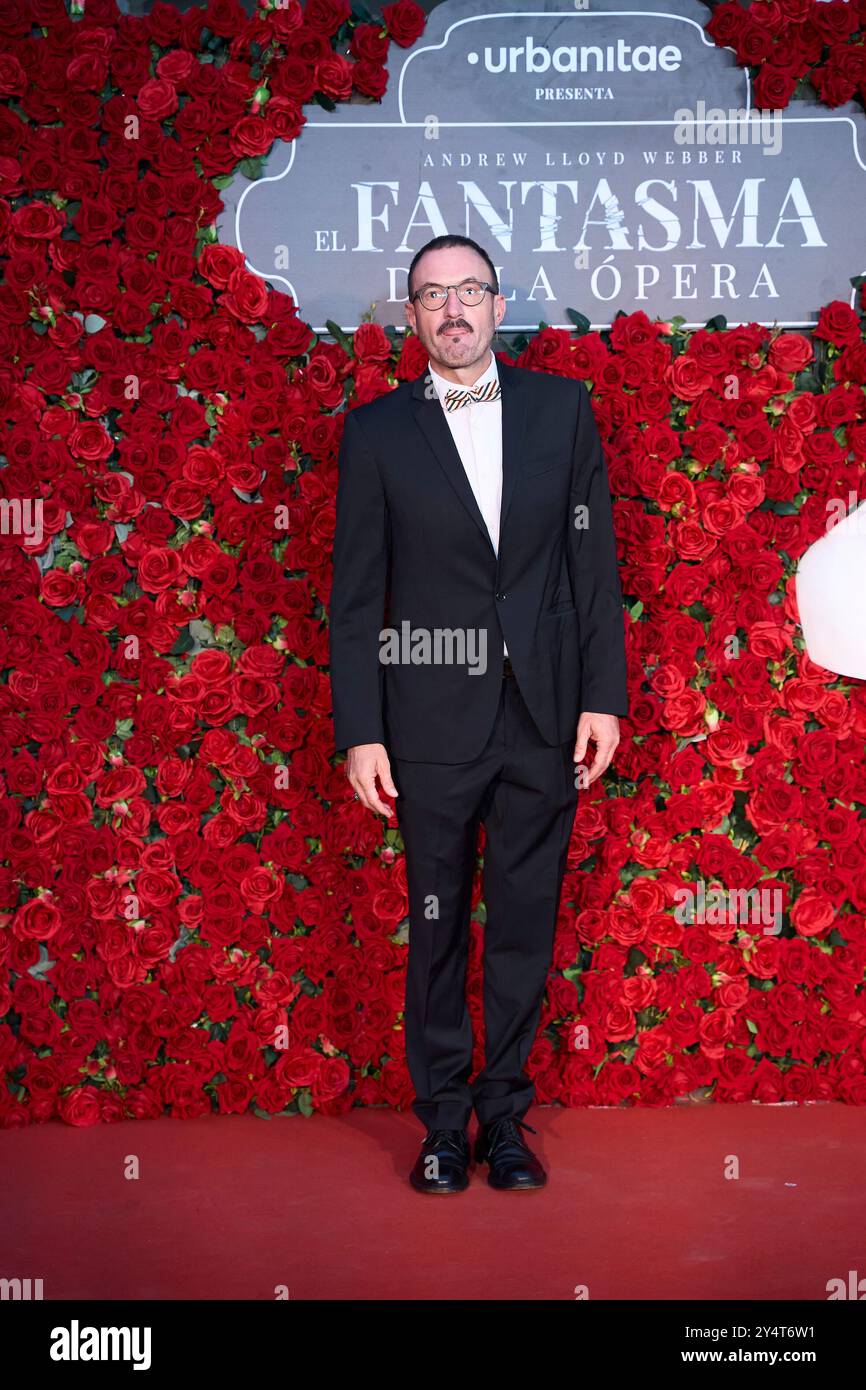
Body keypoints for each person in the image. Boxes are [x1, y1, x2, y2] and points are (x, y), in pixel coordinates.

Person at [329, 234, 628, 1193]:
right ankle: (442, 1126)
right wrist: (361, 729)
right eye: (431, 296)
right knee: (438, 922)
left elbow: (593, 572)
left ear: (499, 305)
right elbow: (354, 596)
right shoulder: (376, 433)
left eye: (469, 290)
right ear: (410, 319)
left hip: (544, 716)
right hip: (427, 721)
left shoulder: (562, 410)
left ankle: (506, 1122)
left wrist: (602, 699)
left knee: (524, 926)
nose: (452, 308)